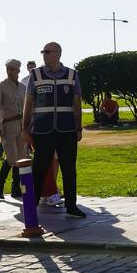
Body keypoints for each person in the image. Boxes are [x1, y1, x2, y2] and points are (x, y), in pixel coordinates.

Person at [22, 42, 86, 217]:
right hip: (42, 131)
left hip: (67, 130)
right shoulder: (35, 75)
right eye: (43, 52)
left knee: (69, 169)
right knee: (39, 168)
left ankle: (71, 206)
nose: (44, 54)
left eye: (47, 52)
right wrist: (25, 129)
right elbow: (28, 104)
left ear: (58, 54)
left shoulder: (72, 75)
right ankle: (32, 206)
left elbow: (76, 103)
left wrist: (78, 127)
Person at [0, 60, 27, 199]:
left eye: (13, 69)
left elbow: (27, 107)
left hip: (21, 125)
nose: (10, 71)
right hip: (8, 125)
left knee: (21, 157)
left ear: (18, 70)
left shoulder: (23, 87)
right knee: (12, 157)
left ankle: (16, 188)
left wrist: (29, 125)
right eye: (8, 69)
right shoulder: (1, 87)